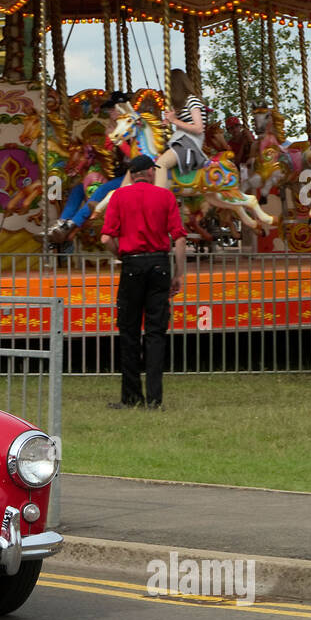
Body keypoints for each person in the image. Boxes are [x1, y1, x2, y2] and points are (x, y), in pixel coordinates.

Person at [100, 154, 187, 409]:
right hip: (160, 264)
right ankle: (155, 398)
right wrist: (178, 273)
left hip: (132, 266)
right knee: (156, 332)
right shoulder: (165, 196)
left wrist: (122, 255)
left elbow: (106, 239)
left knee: (128, 331)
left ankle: (131, 397)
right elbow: (179, 238)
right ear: (149, 172)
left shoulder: (119, 196)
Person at [155, 69, 205, 192]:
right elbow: (181, 125)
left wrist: (174, 121)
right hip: (181, 140)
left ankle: (157, 199)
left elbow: (199, 128)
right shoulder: (181, 105)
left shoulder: (192, 101)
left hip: (190, 143)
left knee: (161, 163)